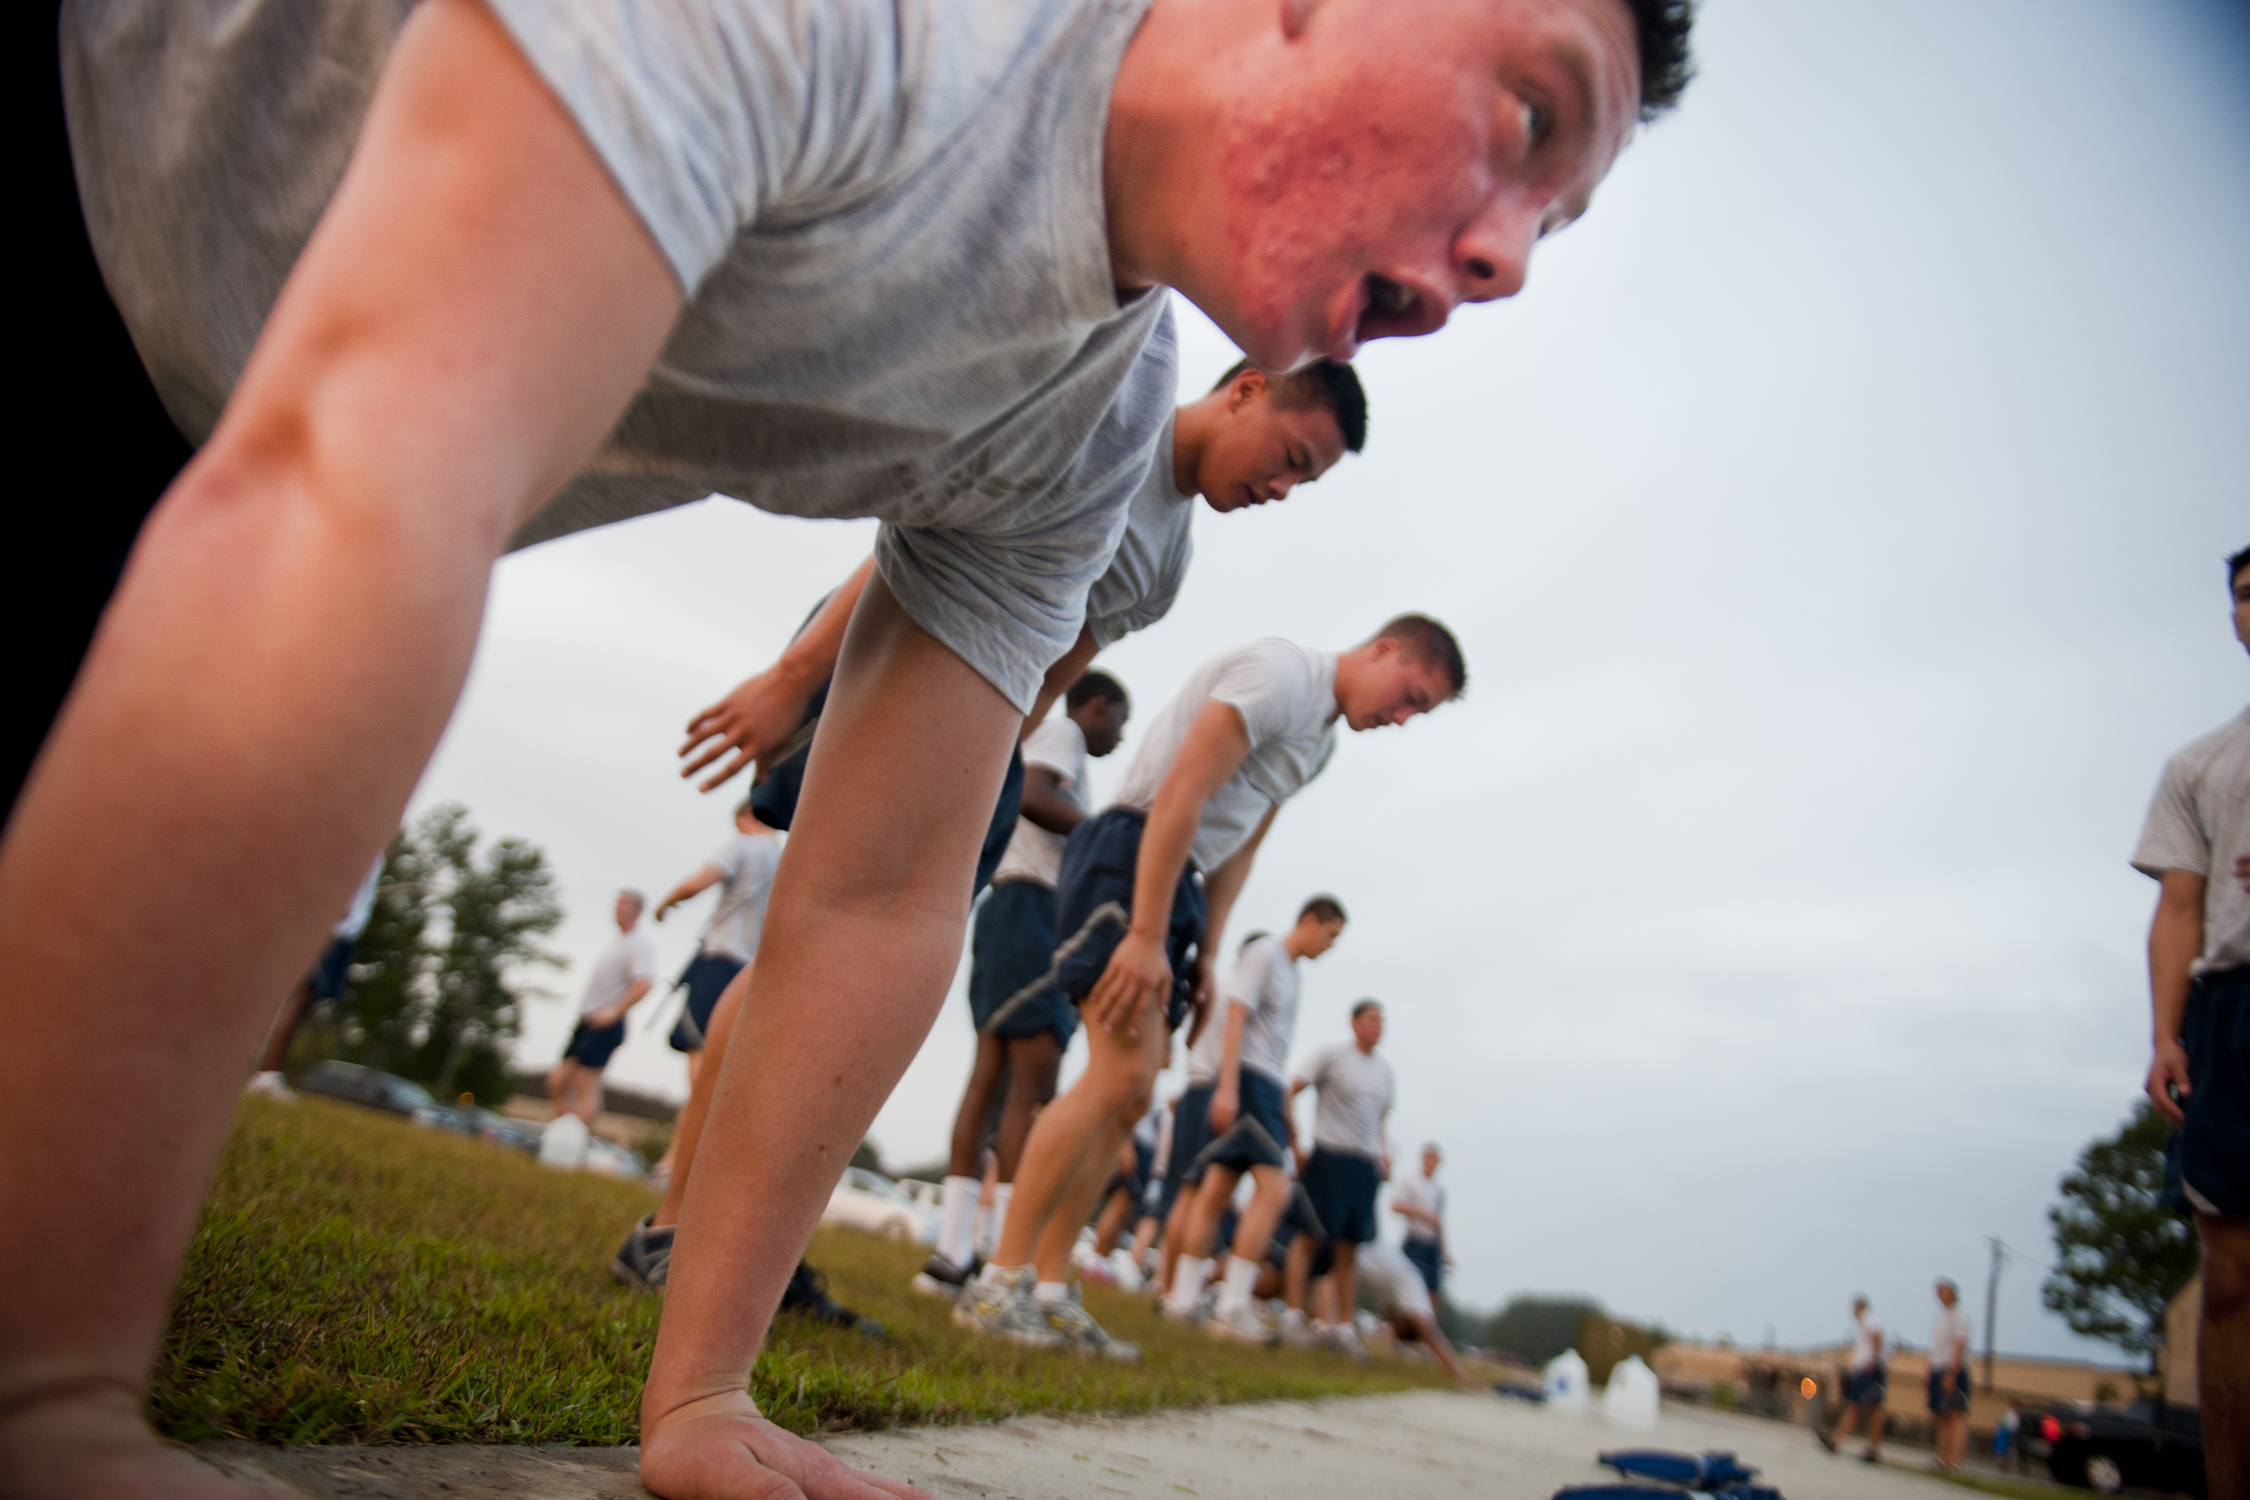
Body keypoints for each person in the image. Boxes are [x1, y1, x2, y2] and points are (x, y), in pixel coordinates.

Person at [16, 0, 1692, 1490]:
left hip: (199, 414)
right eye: (1532, 115)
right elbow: (354, 494)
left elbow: (883, 888)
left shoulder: (1090, 425)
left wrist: (704, 1396)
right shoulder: (897, 35)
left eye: (1562, 213)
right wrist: (55, 1389)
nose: (1514, 259)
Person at [961, 622, 1465, 1360]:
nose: (1401, 719)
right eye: (1409, 698)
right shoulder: (1282, 676)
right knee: (1119, 1076)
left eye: (1418, 715)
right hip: (1133, 849)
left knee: (1133, 1094)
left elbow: (1242, 843)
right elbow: (1184, 790)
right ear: (1384, 650)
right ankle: (997, 1281)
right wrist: (1142, 931)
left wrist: (1206, 951)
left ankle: (1049, 1289)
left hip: (1181, 877)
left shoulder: (1318, 745)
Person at [915, 672, 1132, 1299]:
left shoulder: (1045, 734)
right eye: (1120, 720)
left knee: (991, 1078)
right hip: (1030, 911)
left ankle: (956, 1253)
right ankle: (1003, 1254)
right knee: (1030, 1084)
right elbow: (1034, 792)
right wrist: (1102, 839)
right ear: (1098, 707)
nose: (1120, 735)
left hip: (1006, 907)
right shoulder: (1061, 733)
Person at [2134, 542, 2250, 1500]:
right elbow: (2179, 909)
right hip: (2234, 1010)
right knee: (2233, 1275)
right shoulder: (2201, 766)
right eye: (2245, 597)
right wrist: (2167, 1035)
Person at [1164, 896, 1348, 1343]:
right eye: (1330, 934)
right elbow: (1235, 1017)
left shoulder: (1291, 970)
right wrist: (1227, 1087)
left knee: (1218, 1188)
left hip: (1262, 1081)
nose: (1331, 946)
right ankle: (1231, 1305)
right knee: (1274, 1190)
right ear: (1309, 921)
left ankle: (1182, 1299)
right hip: (1250, 1080)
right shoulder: (1264, 954)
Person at [1290, 999, 1396, 1357]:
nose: (1377, 1026)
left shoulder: (1384, 1071)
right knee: (1309, 1236)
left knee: (1350, 1246)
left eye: (1381, 1021)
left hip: (1363, 1166)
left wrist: (1383, 1154)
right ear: (1354, 1023)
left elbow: (1381, 1120)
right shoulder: (1332, 1055)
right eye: (1371, 1019)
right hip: (1328, 1155)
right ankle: (1292, 1314)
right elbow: (1293, 1088)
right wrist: (1295, 1142)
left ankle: (1344, 1327)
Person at [650, 802, 784, 1077]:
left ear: (748, 815)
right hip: (750, 970)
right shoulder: (785, 860)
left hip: (720, 960)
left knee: (699, 1047)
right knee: (726, 1051)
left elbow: (696, 883)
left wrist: (665, 903)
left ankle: (700, 1119)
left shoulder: (744, 845)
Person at [245, 855, 384, 1101]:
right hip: (331, 929)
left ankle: (270, 1071)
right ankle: (266, 1072)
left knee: (306, 1002)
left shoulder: (377, 850)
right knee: (298, 998)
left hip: (346, 934)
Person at [545, 890, 659, 1127]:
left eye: (624, 904)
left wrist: (614, 1012)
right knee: (557, 1080)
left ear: (637, 911)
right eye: (617, 903)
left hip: (606, 1023)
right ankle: (561, 1136)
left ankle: (578, 1141)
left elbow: (644, 983)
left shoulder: (639, 945)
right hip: (587, 1021)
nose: (618, 908)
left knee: (585, 1083)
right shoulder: (615, 943)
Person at [1353, 1239, 1475, 1383]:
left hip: (1359, 1251)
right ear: (1404, 1324)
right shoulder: (1413, 1290)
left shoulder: (1392, 1297)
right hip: (1360, 1247)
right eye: (1395, 1327)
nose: (1390, 1323)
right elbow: (1428, 1329)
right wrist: (1458, 1373)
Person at [1818, 1295, 1888, 1462]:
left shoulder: (1869, 1319)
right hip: (1864, 1368)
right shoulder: (1863, 1323)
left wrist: (1874, 1360)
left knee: (1872, 1408)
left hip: (1869, 1369)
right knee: (1856, 1406)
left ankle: (1871, 1448)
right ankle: (1837, 1441)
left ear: (1859, 1307)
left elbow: (1877, 1335)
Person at [1391, 1142, 1449, 1295]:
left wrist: (1444, 1252)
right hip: (1414, 1240)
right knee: (1409, 1286)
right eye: (1427, 1156)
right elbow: (1395, 1205)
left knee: (1433, 1288)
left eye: (1433, 1158)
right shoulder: (1410, 1181)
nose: (1430, 1161)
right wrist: (1421, 1213)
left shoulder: (1438, 1189)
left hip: (1432, 1244)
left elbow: (1437, 1221)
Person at [1927, 1278, 1972, 1474]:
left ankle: (1955, 1462)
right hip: (1937, 1369)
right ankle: (1942, 1459)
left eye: (1943, 1291)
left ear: (1952, 1293)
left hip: (1952, 1369)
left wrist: (1952, 1373)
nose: (1940, 1295)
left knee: (1955, 1414)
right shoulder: (1940, 1318)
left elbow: (1959, 1344)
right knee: (1941, 1415)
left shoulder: (1959, 1317)